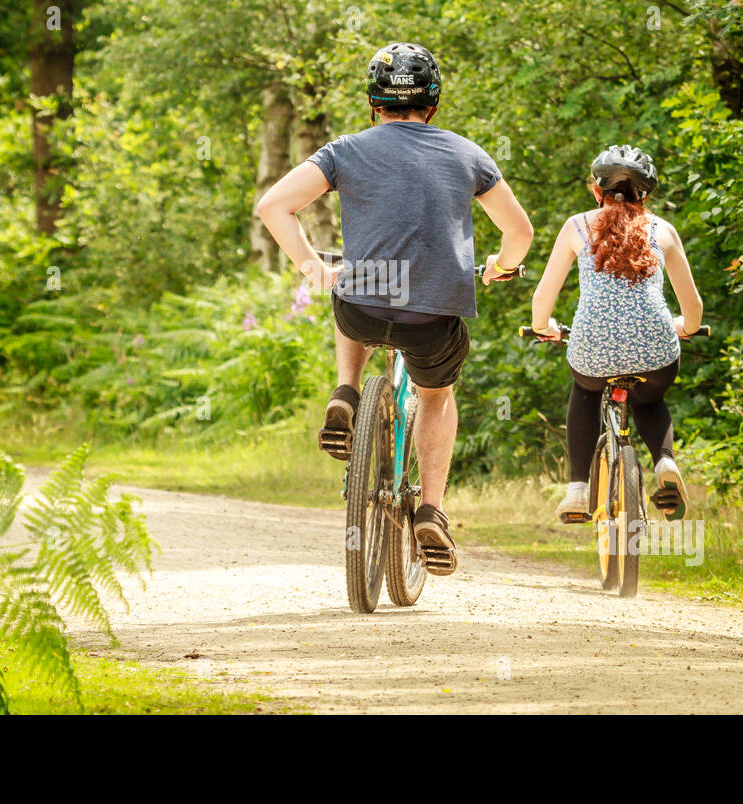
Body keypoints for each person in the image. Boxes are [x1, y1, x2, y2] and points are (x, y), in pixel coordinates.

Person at [256, 42, 533, 574]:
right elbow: (519, 232)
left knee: (348, 283)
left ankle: (346, 390)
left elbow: (273, 206)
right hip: (431, 317)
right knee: (436, 396)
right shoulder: (467, 154)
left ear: (373, 104)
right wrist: (499, 265)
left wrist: (313, 268)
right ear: (432, 104)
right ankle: (430, 509)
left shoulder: (344, 150)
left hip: (363, 307)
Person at [529, 145, 704, 523]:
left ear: (597, 190)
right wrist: (684, 327)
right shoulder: (664, 230)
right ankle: (664, 463)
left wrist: (545, 327)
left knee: (585, 391)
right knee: (648, 401)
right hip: (655, 351)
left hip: (592, 350)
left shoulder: (576, 226)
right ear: (646, 195)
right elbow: (694, 309)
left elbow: (542, 298)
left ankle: (577, 490)